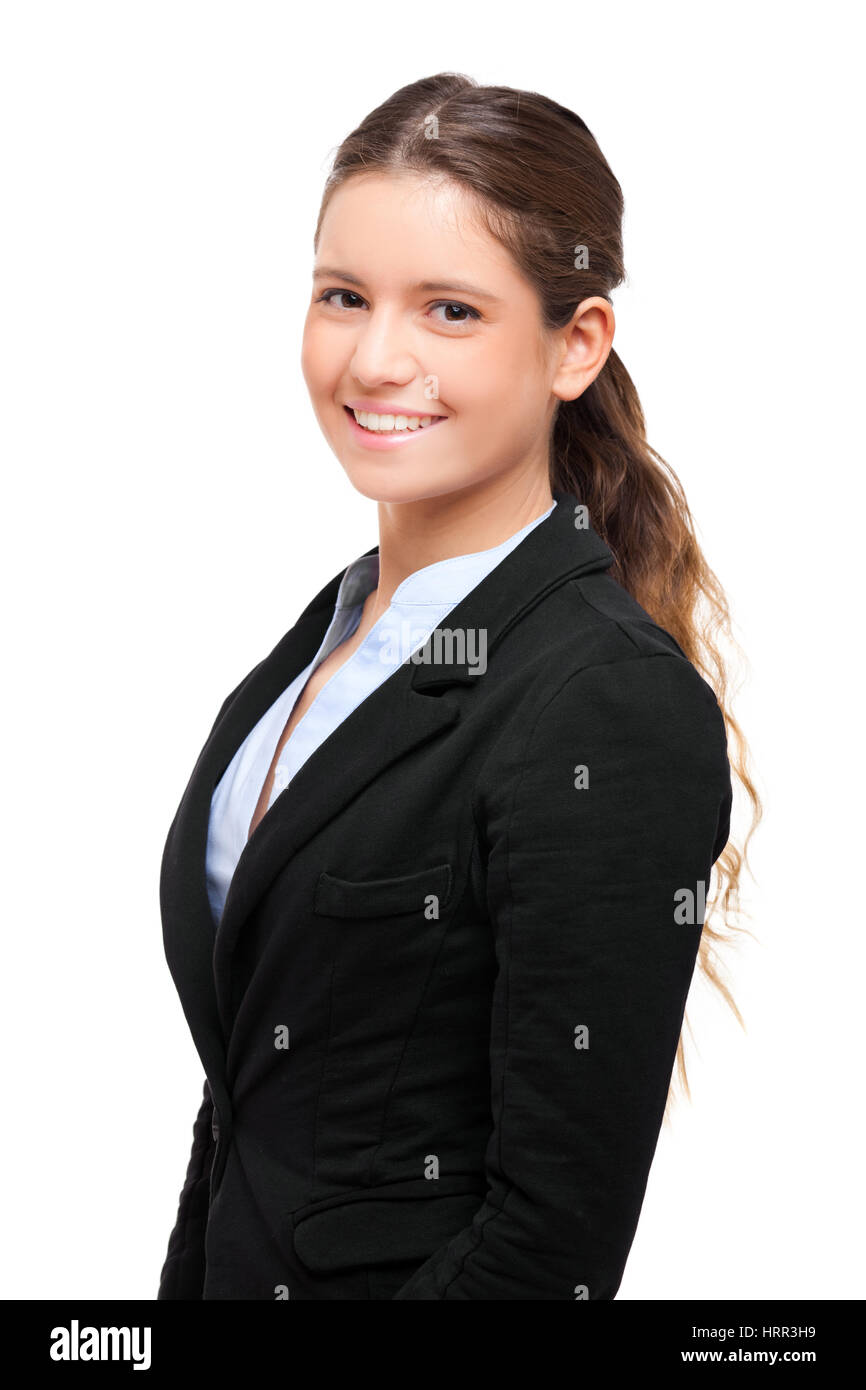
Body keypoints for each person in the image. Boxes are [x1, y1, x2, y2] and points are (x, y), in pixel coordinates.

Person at [156, 73, 758, 1301]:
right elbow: (250, 1110)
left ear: (574, 345)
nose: (377, 358)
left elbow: (549, 1251)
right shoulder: (319, 645)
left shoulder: (604, 702)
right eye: (342, 296)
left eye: (447, 310)